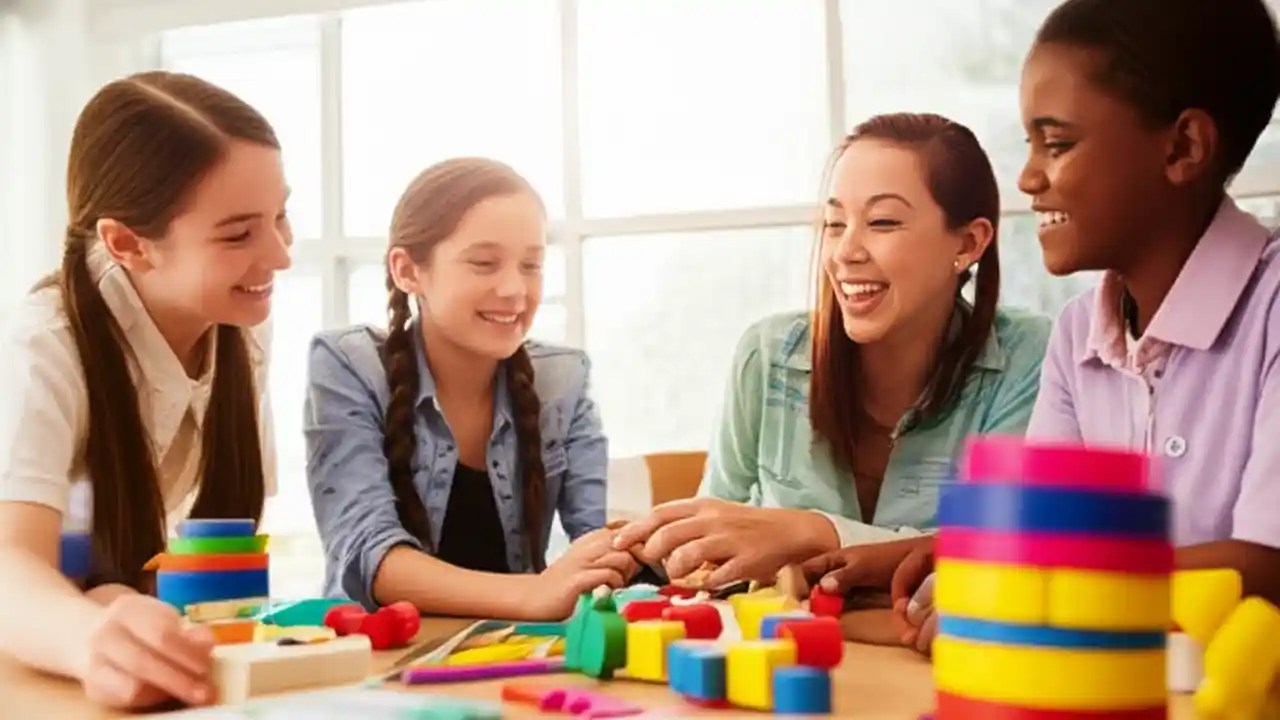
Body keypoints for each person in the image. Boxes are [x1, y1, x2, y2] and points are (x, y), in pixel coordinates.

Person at [884, 0, 1280, 656]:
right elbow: (1041, 542)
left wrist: (1023, 588)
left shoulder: (1270, 310)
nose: (1029, 177)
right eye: (1030, 143)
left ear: (1182, 146)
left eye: (1058, 143)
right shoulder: (1077, 336)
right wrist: (941, 557)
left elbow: (1266, 572)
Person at [614, 113, 1051, 589]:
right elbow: (709, 552)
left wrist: (815, 534)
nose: (845, 252)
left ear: (968, 243)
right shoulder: (767, 355)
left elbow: (1003, 556)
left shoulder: (1028, 358)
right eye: (834, 222)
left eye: (882, 222)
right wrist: (636, 557)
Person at [0, 72, 289, 709]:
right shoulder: (43, 346)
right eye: (239, 234)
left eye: (281, 216)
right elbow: (10, 570)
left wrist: (114, 597)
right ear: (127, 243)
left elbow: (199, 549)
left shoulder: (241, 331)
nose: (280, 255)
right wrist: (91, 634)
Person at [305, 157, 635, 621]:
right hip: (380, 656)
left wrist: (646, 547)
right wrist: (534, 593)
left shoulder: (563, 378)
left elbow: (597, 541)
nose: (514, 290)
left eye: (531, 265)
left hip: (513, 652)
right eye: (483, 263)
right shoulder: (349, 365)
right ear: (407, 270)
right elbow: (365, 551)